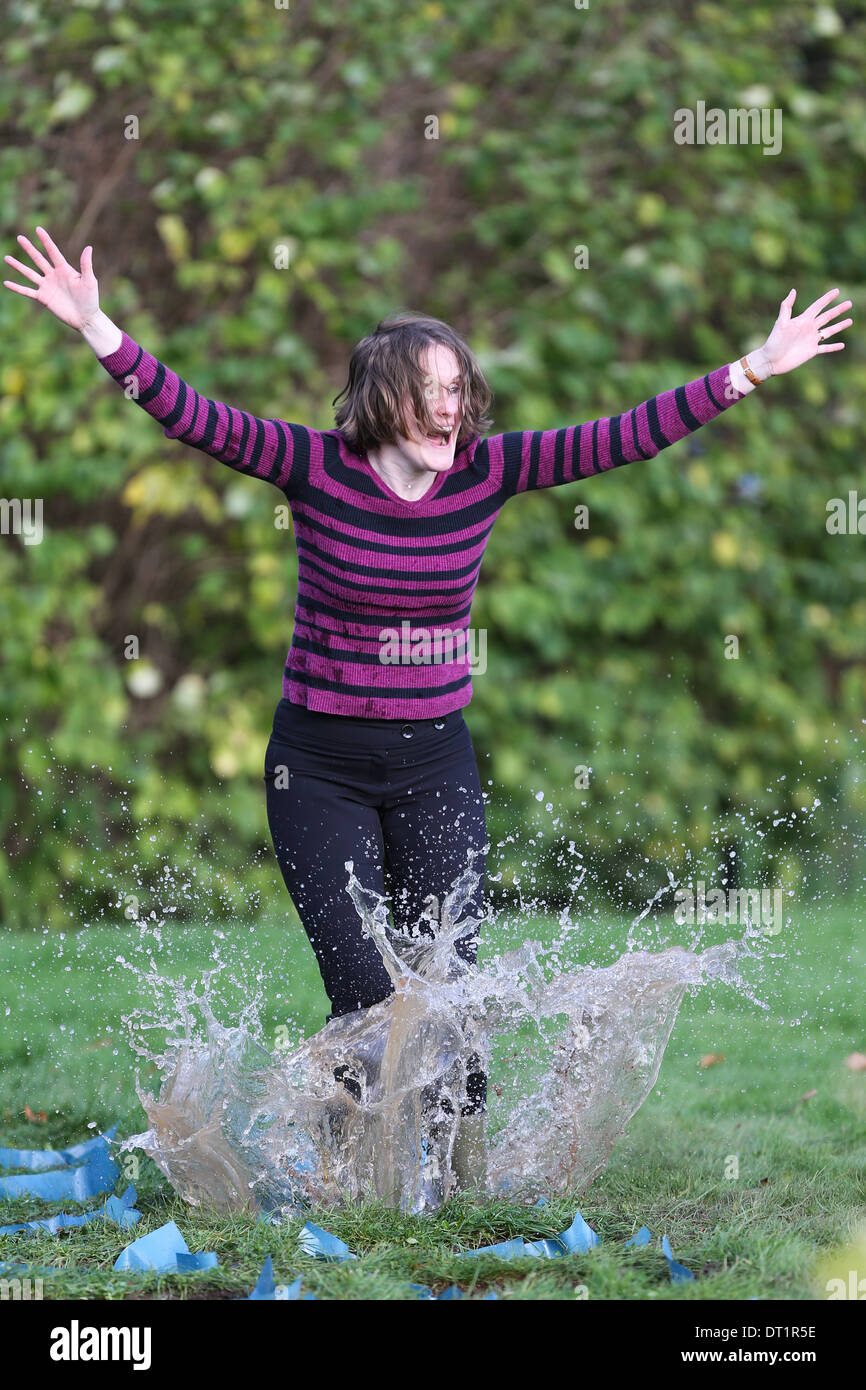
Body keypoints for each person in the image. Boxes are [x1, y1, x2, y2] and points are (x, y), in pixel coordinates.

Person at [4, 227, 852, 1192]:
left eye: (458, 390)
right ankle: (351, 1179)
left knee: (448, 998)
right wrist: (98, 326)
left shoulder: (486, 475)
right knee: (369, 1002)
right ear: (382, 400)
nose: (449, 409)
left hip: (432, 761)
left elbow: (621, 435)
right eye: (430, 391)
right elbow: (195, 417)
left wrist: (753, 368)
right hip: (317, 770)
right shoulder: (312, 468)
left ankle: (459, 1188)